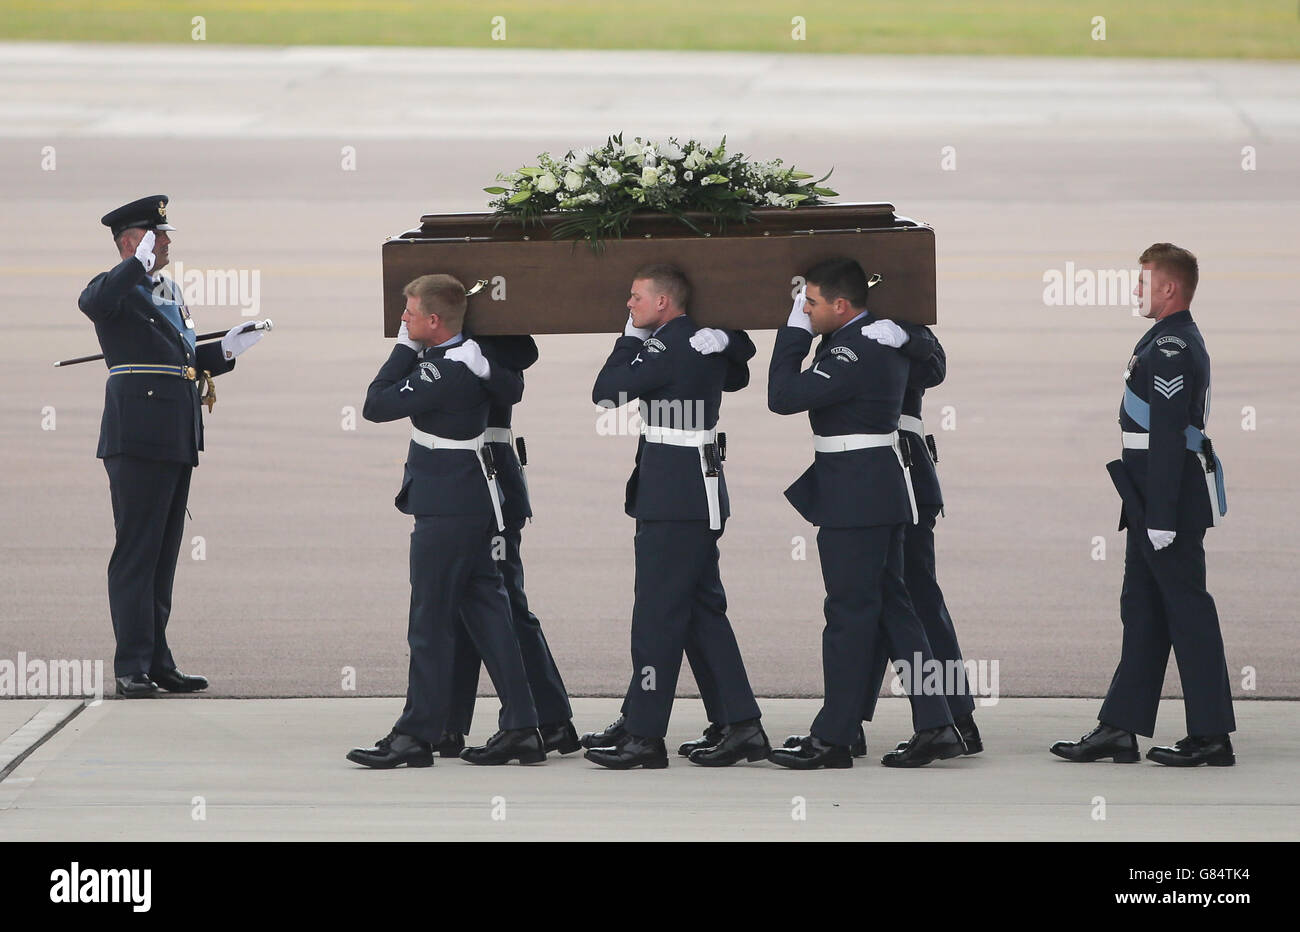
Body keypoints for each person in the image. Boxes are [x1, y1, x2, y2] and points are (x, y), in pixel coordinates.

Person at [766, 258, 963, 769]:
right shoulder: (866, 340)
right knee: (894, 611)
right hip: (874, 491)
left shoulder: (856, 348)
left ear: (841, 305)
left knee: (849, 616)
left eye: (809, 304)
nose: (803, 312)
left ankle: (833, 739)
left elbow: (782, 396)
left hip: (859, 497)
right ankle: (936, 722)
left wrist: (793, 337)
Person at [346, 274, 542, 769]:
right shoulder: (469, 361)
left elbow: (376, 404)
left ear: (434, 322)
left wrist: (401, 350)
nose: (403, 321)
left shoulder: (444, 370)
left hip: (447, 506)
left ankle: (416, 734)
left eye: (410, 314)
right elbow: (511, 382)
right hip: (472, 501)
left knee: (430, 622)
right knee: (489, 615)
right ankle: (523, 726)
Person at [1051, 243, 1235, 767]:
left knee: (1188, 614)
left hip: (1165, 503)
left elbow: (1168, 434)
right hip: (1151, 499)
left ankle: (1212, 735)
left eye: (1143, 282)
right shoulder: (1163, 338)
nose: (1136, 291)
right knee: (1144, 612)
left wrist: (1159, 517)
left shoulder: (1172, 345)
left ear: (1169, 288)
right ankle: (1121, 726)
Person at [78, 195, 268, 698]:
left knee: (163, 556)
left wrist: (225, 348)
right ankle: (131, 665)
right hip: (137, 435)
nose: (166, 242)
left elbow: (179, 358)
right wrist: (132, 266)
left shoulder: (167, 288)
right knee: (137, 553)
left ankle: (158, 660)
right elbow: (92, 303)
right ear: (131, 242)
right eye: (157, 235)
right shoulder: (115, 288)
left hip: (174, 434)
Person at [583, 264, 768, 769]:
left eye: (636, 297)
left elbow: (607, 393)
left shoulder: (669, 344)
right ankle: (740, 723)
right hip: (688, 489)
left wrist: (628, 341)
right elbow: (740, 369)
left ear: (664, 303)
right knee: (699, 611)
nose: (629, 304)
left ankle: (644, 736)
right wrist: (733, 340)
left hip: (675, 496)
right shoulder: (702, 341)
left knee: (657, 617)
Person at [436, 334, 581, 758]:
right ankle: (449, 723)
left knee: (501, 604)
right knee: (472, 605)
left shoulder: (490, 343)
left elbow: (523, 352)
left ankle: (549, 719)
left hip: (490, 479)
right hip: (485, 476)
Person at [852, 319, 983, 757]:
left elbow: (933, 361)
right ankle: (852, 719)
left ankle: (952, 718)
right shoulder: (856, 319)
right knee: (884, 599)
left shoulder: (893, 321)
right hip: (890, 473)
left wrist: (907, 335)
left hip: (901, 473)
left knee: (906, 600)